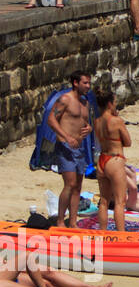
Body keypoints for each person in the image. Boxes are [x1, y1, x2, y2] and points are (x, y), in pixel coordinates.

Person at [49, 71, 93, 227]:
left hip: (80, 148)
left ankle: (73, 222)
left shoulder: (85, 103)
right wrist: (66, 137)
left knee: (78, 186)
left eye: (89, 83)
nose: (88, 86)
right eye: (85, 83)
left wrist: (89, 129)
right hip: (65, 147)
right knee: (70, 184)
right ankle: (61, 221)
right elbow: (51, 119)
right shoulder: (65, 99)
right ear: (75, 83)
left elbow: (85, 123)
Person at [91, 88, 130, 231]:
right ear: (109, 104)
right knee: (120, 201)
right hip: (115, 159)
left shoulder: (97, 121)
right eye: (114, 103)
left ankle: (102, 231)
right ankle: (121, 236)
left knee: (104, 201)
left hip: (102, 159)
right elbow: (128, 142)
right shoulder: (116, 121)